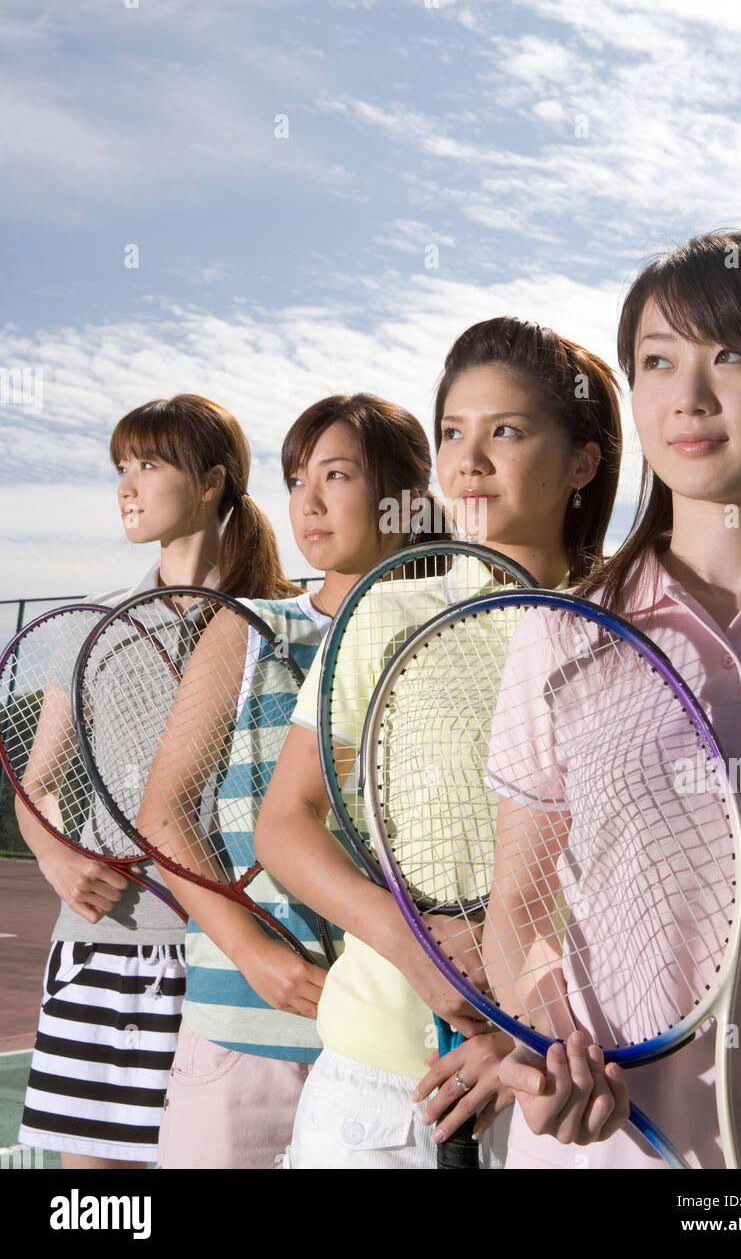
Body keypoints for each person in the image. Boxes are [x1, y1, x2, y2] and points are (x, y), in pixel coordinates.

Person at [496, 231, 741, 1169]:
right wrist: (548, 1033)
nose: (687, 398)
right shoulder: (562, 630)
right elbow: (521, 914)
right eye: (657, 361)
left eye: (730, 355)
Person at [256, 317, 622, 1168]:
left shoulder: (628, 630)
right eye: (454, 431)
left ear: (583, 462)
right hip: (381, 1089)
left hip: (558, 1093)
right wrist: (410, 942)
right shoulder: (387, 610)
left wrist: (529, 1037)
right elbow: (288, 823)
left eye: (508, 431)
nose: (470, 459)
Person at [156, 392, 442, 1169]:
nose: (308, 503)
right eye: (295, 479)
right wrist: (254, 954)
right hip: (250, 1025)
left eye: (337, 476)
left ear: (406, 501)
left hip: (389, 1043)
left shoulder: (448, 635)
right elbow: (164, 813)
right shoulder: (248, 626)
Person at [16, 393, 286, 1168]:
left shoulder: (272, 624)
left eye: (150, 464)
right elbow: (37, 782)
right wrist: (57, 858)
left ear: (210, 483)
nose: (126, 485)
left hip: (230, 947)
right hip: (106, 947)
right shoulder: (85, 623)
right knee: (98, 1204)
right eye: (121, 467)